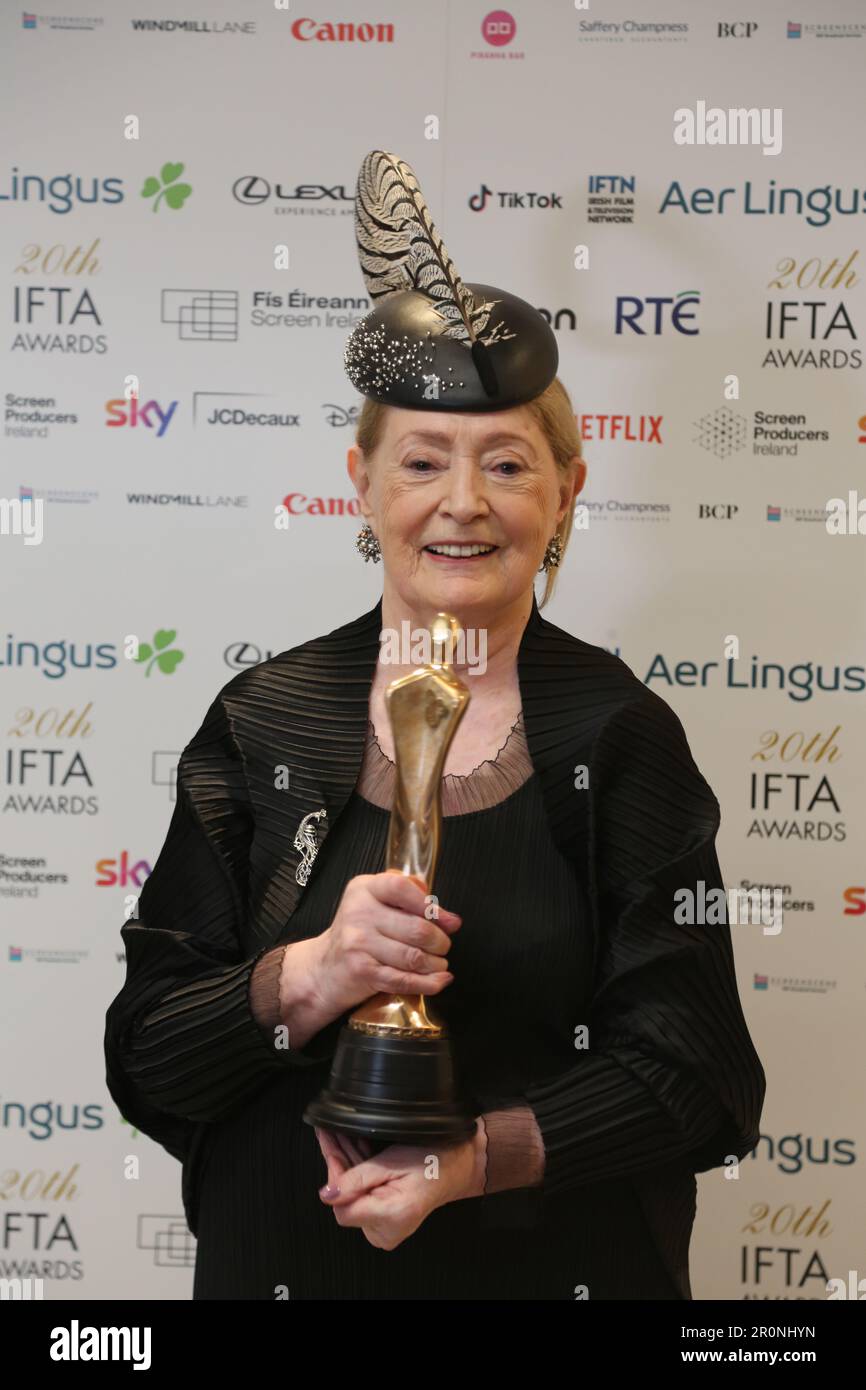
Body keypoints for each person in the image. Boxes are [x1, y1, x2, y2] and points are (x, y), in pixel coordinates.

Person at [104, 149, 766, 1300]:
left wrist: (470, 1161)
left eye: (505, 462)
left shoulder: (618, 737)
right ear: (360, 482)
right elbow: (149, 1057)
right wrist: (303, 977)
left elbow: (700, 1076)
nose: (462, 501)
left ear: (563, 491)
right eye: (422, 460)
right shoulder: (264, 719)